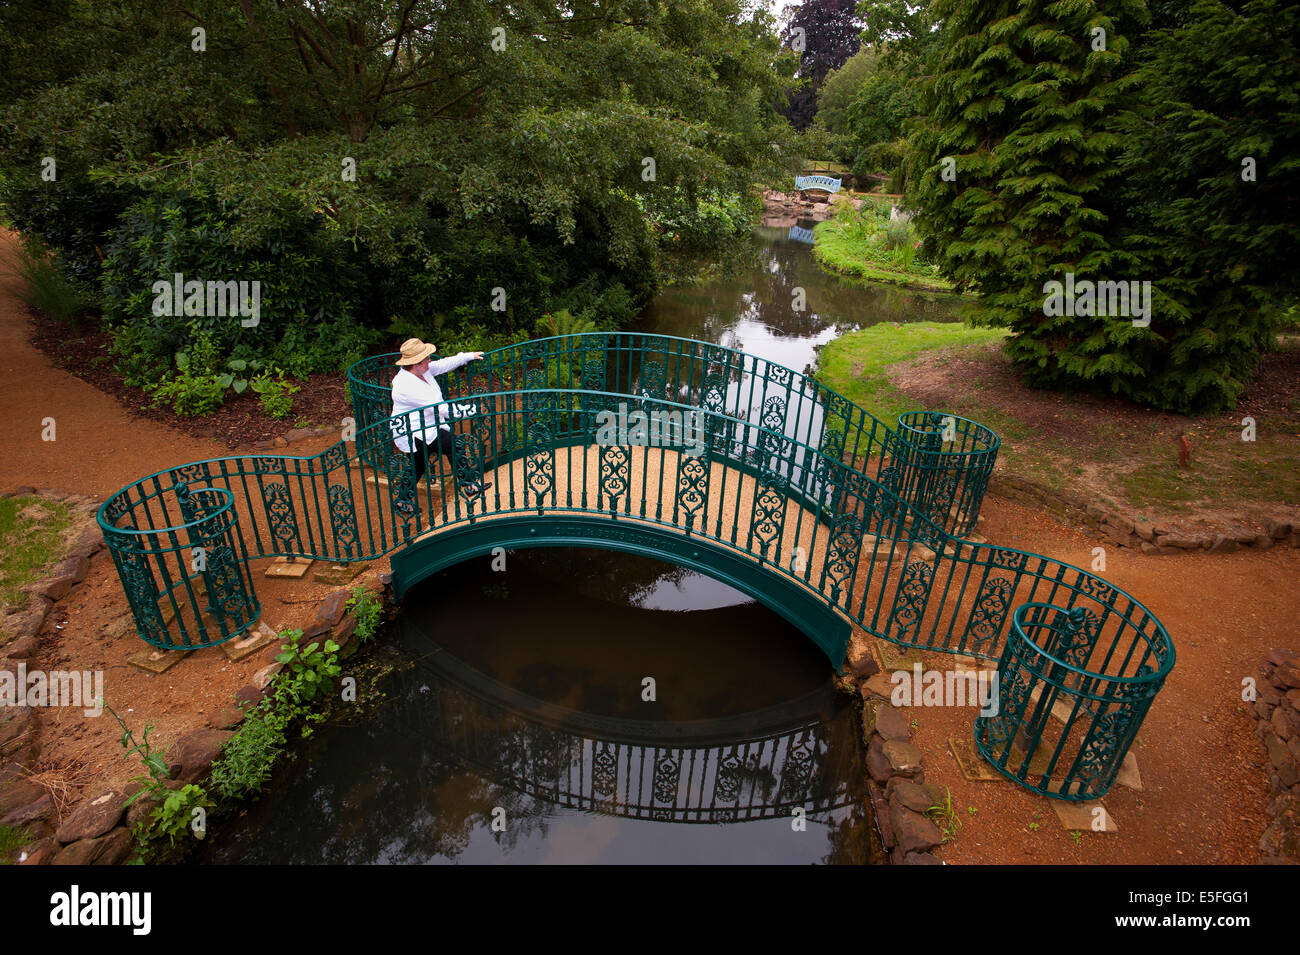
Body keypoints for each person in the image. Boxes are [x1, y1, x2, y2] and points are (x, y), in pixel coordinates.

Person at [390, 338, 491, 498]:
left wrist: (466, 356)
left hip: (428, 426)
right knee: (418, 465)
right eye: (427, 358)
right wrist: (473, 410)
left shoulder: (421, 371)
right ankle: (403, 500)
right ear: (417, 363)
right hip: (413, 431)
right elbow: (442, 409)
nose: (430, 360)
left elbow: (442, 365)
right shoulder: (407, 385)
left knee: (452, 447)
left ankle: (469, 484)